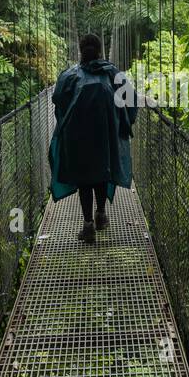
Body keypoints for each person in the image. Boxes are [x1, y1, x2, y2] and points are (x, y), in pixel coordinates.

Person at [49, 34, 137, 243]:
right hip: (105, 139)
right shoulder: (113, 74)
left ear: (81, 52)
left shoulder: (69, 75)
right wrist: (124, 125)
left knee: (84, 181)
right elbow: (131, 101)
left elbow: (58, 101)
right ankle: (101, 215)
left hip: (76, 140)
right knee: (101, 173)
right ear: (99, 51)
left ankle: (88, 225)